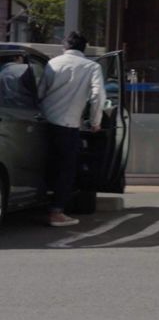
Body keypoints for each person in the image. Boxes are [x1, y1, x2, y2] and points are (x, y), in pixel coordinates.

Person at [38, 31, 106, 227]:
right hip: (67, 125)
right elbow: (97, 96)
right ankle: (57, 211)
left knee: (43, 164)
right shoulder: (91, 67)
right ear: (84, 48)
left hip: (42, 122)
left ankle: (37, 202)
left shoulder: (52, 63)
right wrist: (95, 122)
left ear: (64, 46)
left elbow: (41, 92)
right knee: (66, 169)